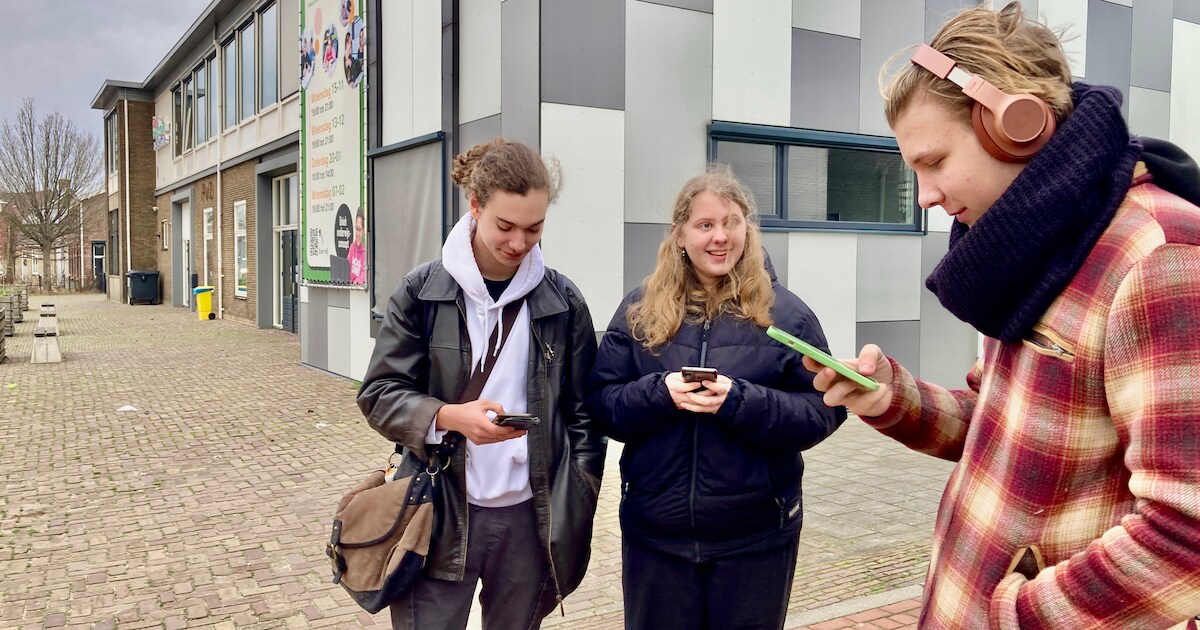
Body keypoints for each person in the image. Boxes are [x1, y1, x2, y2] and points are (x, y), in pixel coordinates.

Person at [808, 3, 1200, 628]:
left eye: (933, 163)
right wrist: (890, 397)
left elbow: (1187, 536)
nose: (927, 196)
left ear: (1015, 125)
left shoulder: (1159, 258)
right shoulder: (1029, 251)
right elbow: (996, 425)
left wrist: (1019, 616)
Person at [357, 138, 605, 630]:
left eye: (534, 228)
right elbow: (378, 394)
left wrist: (578, 493)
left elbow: (585, 417)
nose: (518, 243)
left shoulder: (563, 302)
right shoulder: (420, 292)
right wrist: (447, 417)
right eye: (505, 226)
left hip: (529, 520)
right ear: (475, 207)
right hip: (438, 510)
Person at [586, 165, 845, 630]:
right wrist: (658, 393)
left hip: (756, 538)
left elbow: (823, 410)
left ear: (748, 228)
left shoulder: (786, 316)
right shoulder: (639, 310)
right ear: (680, 234)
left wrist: (739, 401)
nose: (720, 237)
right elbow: (602, 404)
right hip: (656, 537)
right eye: (706, 225)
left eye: (732, 223)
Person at [347, 207, 366, 285]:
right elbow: (347, 267)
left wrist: (356, 282)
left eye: (359, 229)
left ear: (364, 231)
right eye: (356, 229)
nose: (357, 233)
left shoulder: (365, 252)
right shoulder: (352, 247)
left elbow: (363, 275)